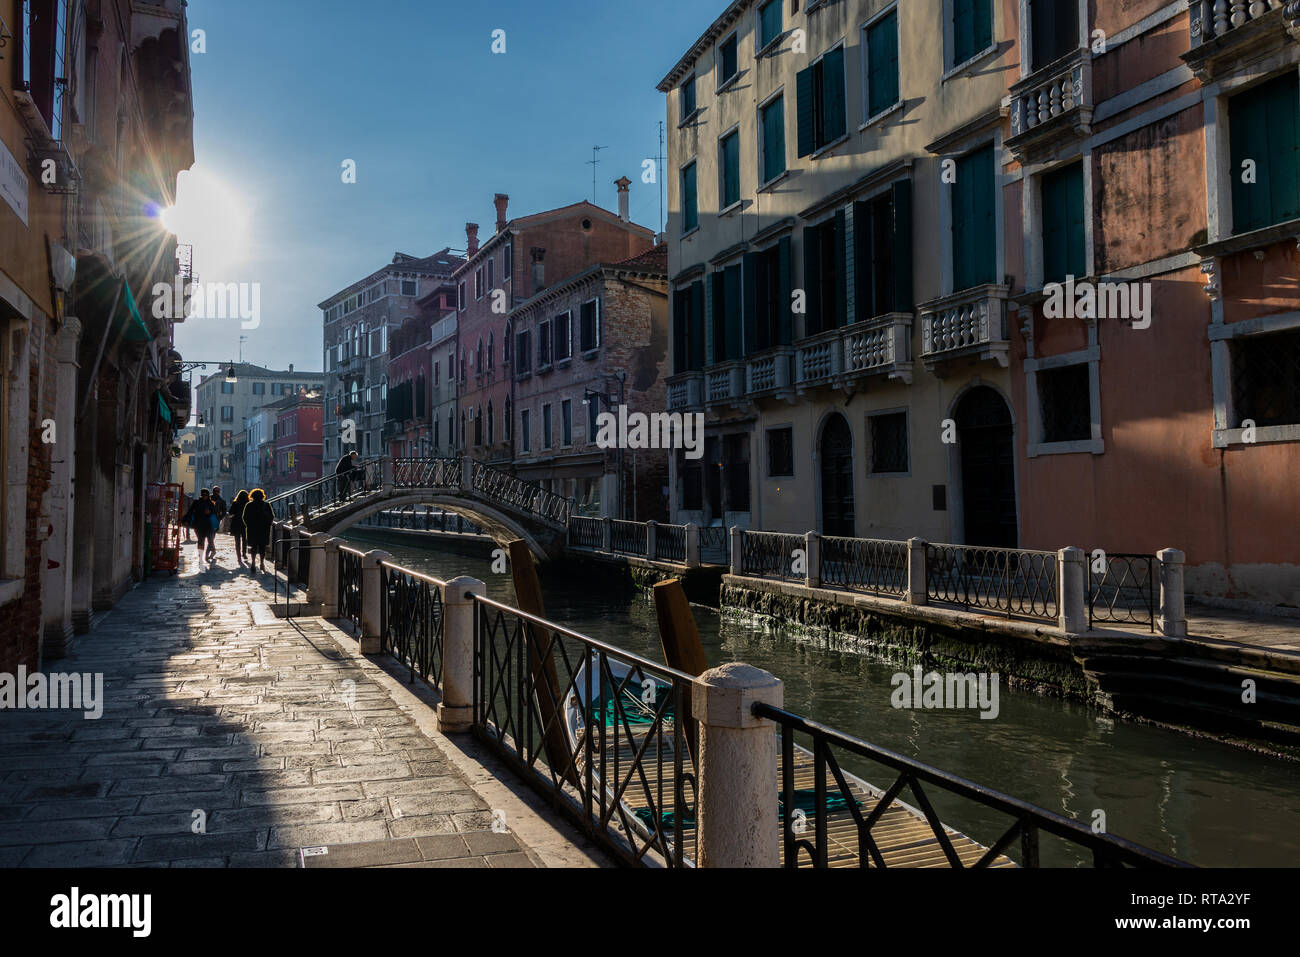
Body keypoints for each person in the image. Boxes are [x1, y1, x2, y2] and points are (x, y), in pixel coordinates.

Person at [182, 488, 218, 568]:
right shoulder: (196, 502)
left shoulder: (210, 503)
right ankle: (200, 557)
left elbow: (214, 513)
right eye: (203, 495)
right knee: (201, 541)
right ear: (201, 495)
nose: (204, 496)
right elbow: (190, 511)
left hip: (208, 526)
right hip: (198, 526)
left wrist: (210, 512)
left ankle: (209, 554)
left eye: (206, 495)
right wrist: (186, 519)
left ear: (208, 495)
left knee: (210, 540)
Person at [243, 488, 275, 573]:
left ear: (252, 496)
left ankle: (253, 562)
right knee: (262, 547)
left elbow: (245, 517)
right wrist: (268, 525)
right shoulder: (266, 505)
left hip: (252, 529)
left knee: (253, 547)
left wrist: (249, 525)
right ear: (262, 496)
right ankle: (261, 563)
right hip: (263, 529)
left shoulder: (249, 505)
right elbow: (272, 517)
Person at [229, 490, 250, 565]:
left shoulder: (235, 503)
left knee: (237, 541)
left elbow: (230, 513)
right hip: (245, 524)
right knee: (244, 539)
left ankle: (238, 556)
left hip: (236, 523)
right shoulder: (248, 504)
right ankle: (244, 553)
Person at [209, 486, 228, 562]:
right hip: (207, 521)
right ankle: (212, 551)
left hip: (215, 521)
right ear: (213, 491)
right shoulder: (208, 499)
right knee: (209, 537)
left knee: (211, 537)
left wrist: (219, 518)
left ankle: (211, 551)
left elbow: (224, 511)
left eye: (217, 491)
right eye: (215, 491)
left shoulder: (222, 501)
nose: (216, 493)